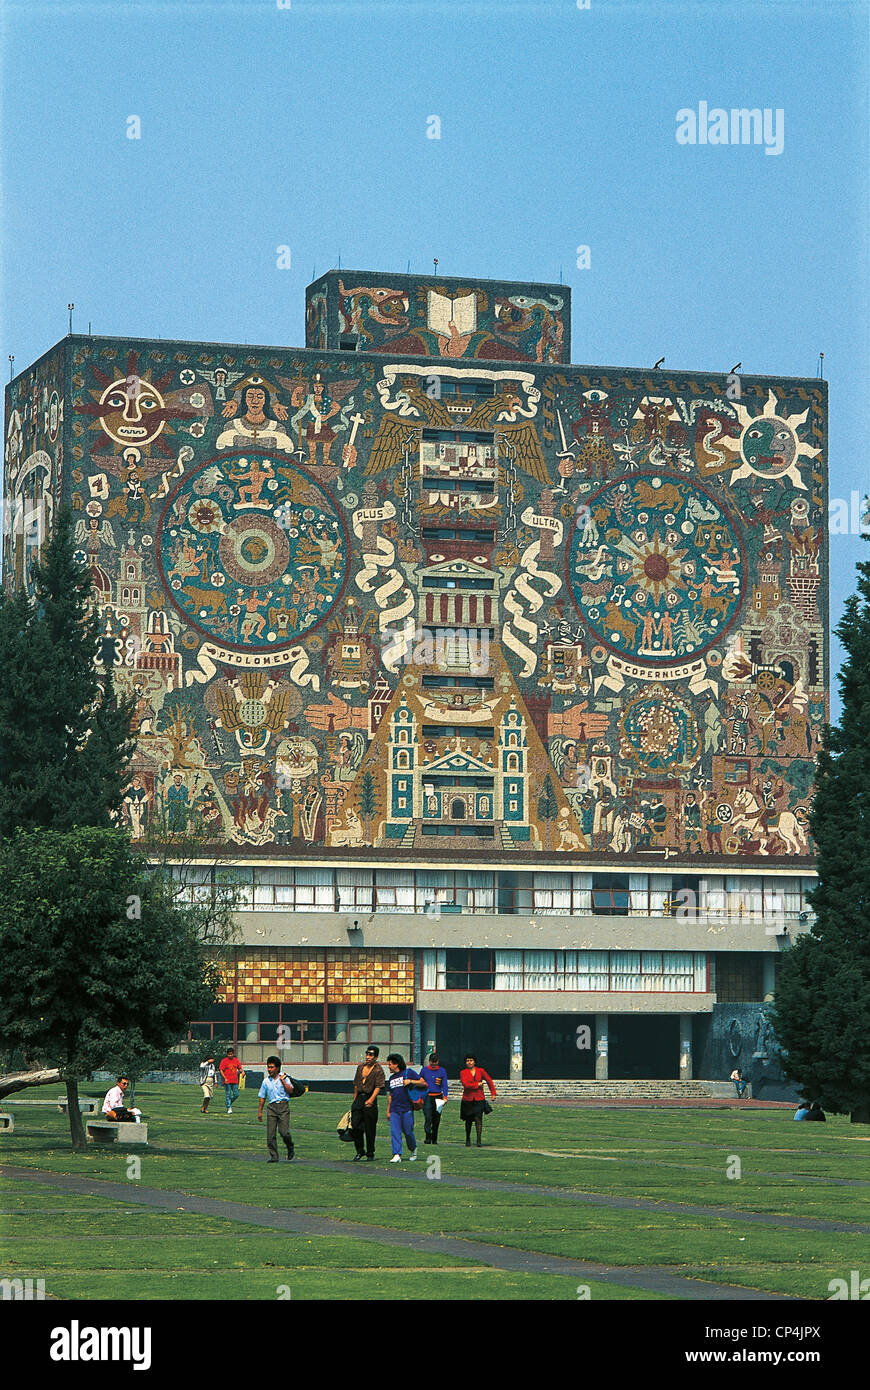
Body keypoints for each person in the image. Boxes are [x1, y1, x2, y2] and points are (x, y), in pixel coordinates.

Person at [385, 1053, 426, 1163]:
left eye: (390, 1064)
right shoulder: (391, 1078)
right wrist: (388, 1110)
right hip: (394, 1109)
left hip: (407, 1108)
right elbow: (391, 1095)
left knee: (408, 1131)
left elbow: (423, 1083)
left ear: (396, 1064)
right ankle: (397, 1154)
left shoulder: (408, 1072)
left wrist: (410, 1081)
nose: (388, 1066)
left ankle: (413, 1148)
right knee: (395, 1132)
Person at [257, 1056, 296, 1162]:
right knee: (270, 1134)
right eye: (268, 1067)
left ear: (277, 1068)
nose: (269, 1069)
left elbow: (291, 1091)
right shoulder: (266, 1081)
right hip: (271, 1107)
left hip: (283, 1106)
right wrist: (260, 1111)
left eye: (272, 1067)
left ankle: (290, 1146)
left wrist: (283, 1081)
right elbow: (262, 1096)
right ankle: (274, 1156)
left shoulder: (284, 1078)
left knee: (284, 1132)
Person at [351, 1045, 386, 1162]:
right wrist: (355, 1100)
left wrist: (371, 1099)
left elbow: (379, 1086)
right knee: (355, 1125)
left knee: (370, 1128)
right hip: (359, 1098)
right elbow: (356, 1084)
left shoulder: (378, 1070)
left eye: (371, 1055)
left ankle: (370, 1152)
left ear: (375, 1057)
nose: (368, 1057)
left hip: (370, 1097)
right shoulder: (360, 1067)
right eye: (367, 1054)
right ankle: (360, 1150)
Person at [459, 1055, 496, 1147]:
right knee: (468, 1120)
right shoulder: (463, 1072)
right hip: (468, 1099)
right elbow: (466, 1084)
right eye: (467, 1061)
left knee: (478, 1119)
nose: (469, 1062)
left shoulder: (480, 1071)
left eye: (471, 1060)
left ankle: (479, 1140)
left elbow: (489, 1080)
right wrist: (477, 1084)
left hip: (479, 1098)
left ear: (474, 1062)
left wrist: (493, 1093)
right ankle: (468, 1138)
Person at [420, 1052, 449, 1145]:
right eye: (432, 1062)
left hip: (438, 1097)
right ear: (429, 1062)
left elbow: (445, 1085)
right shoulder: (424, 1070)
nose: (433, 1064)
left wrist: (445, 1096)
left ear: (438, 1062)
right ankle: (428, 1137)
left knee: (436, 1119)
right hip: (427, 1097)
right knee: (428, 1117)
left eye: (435, 1062)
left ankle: (434, 1138)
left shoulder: (442, 1071)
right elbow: (419, 1082)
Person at [219, 1046, 245, 1114]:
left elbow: (240, 1068)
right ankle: (229, 1107)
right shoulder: (224, 1061)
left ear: (233, 1054)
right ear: (227, 1054)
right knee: (228, 1094)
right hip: (227, 1080)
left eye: (231, 1054)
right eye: (229, 1054)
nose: (230, 1055)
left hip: (235, 1080)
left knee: (236, 1094)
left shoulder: (236, 1060)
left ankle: (228, 1102)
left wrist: (242, 1072)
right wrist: (224, 1078)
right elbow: (221, 1070)